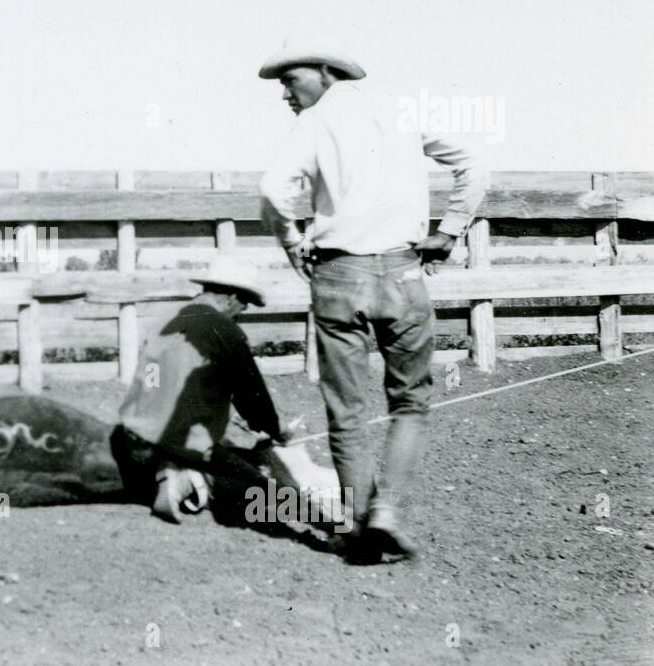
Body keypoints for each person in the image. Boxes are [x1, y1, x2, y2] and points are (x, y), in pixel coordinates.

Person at [257, 37, 489, 561]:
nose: (285, 95)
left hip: (339, 274)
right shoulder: (401, 113)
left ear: (323, 72)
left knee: (347, 408)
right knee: (410, 400)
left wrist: (294, 242)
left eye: (290, 81)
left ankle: (359, 525)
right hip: (405, 274)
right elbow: (473, 162)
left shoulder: (314, 124)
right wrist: (451, 230)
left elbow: (274, 190)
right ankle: (387, 510)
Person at [114, 258, 286, 524]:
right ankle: (188, 479)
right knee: (261, 490)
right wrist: (274, 430)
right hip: (180, 439)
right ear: (231, 297)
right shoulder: (226, 330)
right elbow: (252, 396)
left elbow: (153, 379)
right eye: (244, 303)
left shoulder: (165, 320)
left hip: (134, 432)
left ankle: (171, 469)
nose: (243, 311)